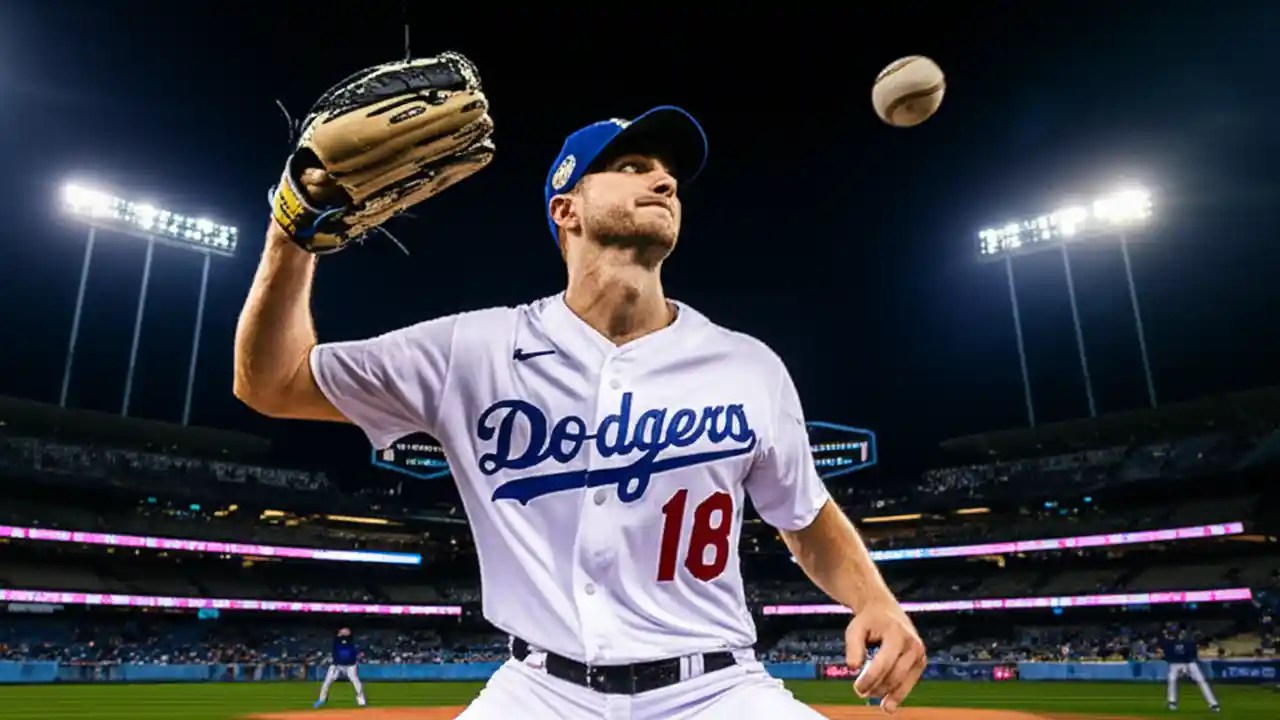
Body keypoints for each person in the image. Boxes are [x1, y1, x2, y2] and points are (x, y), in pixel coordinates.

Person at [236, 105, 926, 719]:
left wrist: (876, 599)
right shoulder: (473, 350)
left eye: (669, 174)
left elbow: (804, 518)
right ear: (566, 210)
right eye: (632, 166)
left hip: (716, 690)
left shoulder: (748, 366)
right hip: (538, 691)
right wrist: (291, 233)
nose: (664, 181)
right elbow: (272, 383)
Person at [1160, 628, 1219, 712]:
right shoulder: (1169, 643)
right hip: (1175, 664)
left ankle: (1213, 704)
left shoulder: (1188, 643)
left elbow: (1191, 655)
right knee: (1172, 679)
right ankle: (1172, 702)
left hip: (1189, 664)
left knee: (1201, 681)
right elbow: (1167, 655)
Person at [314, 627, 367, 708]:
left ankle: (361, 702)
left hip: (350, 666)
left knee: (357, 683)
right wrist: (341, 632)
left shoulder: (351, 641)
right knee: (326, 683)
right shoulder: (336, 641)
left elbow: (350, 637)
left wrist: (346, 632)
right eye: (343, 631)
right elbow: (338, 636)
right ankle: (321, 699)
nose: (345, 632)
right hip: (336, 665)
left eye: (346, 631)